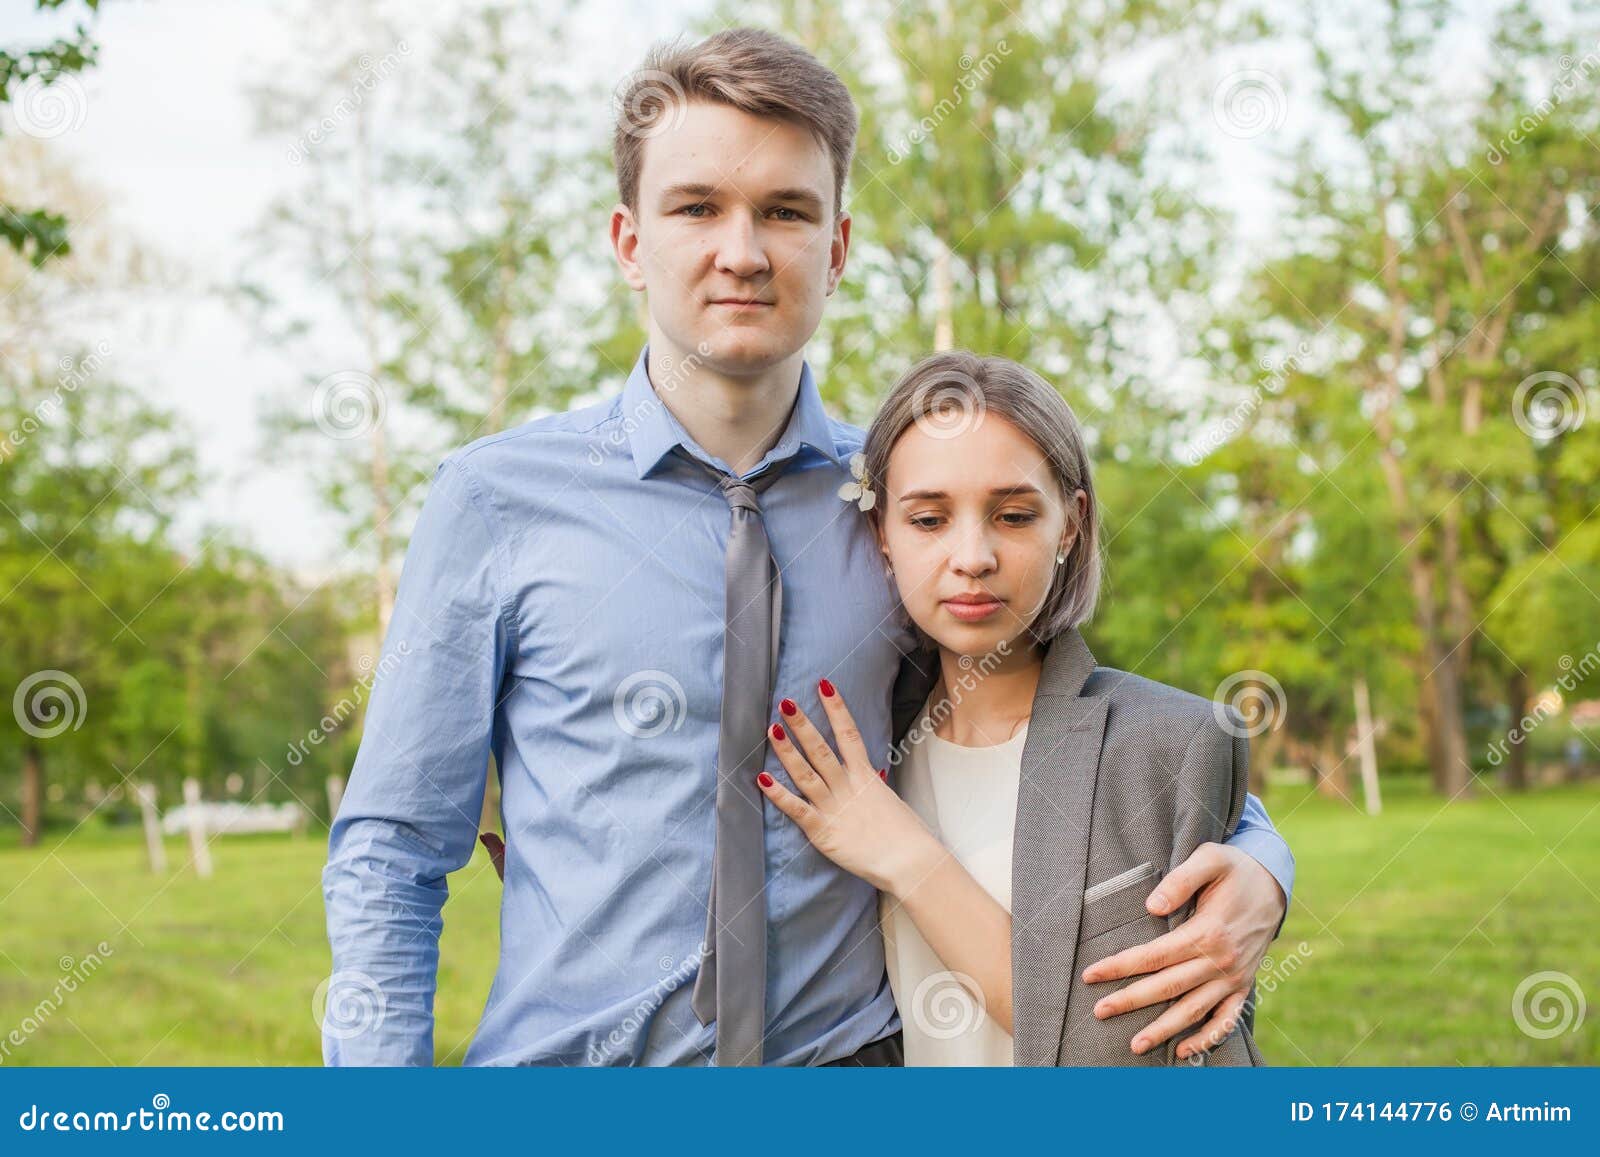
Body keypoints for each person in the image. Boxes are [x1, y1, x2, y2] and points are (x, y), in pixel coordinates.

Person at [321, 27, 1294, 1067]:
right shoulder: (495, 499)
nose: (741, 251)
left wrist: (1258, 858)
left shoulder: (901, 505)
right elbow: (394, 847)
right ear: (628, 241)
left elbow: (1052, 721)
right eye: (696, 206)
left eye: (783, 211)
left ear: (833, 248)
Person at [759, 351, 1267, 1064]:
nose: (972, 556)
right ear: (882, 535)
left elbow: (1126, 1049)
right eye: (929, 518)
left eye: (1014, 514)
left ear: (1069, 524)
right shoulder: (867, 740)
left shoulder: (1166, 743)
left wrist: (907, 856)